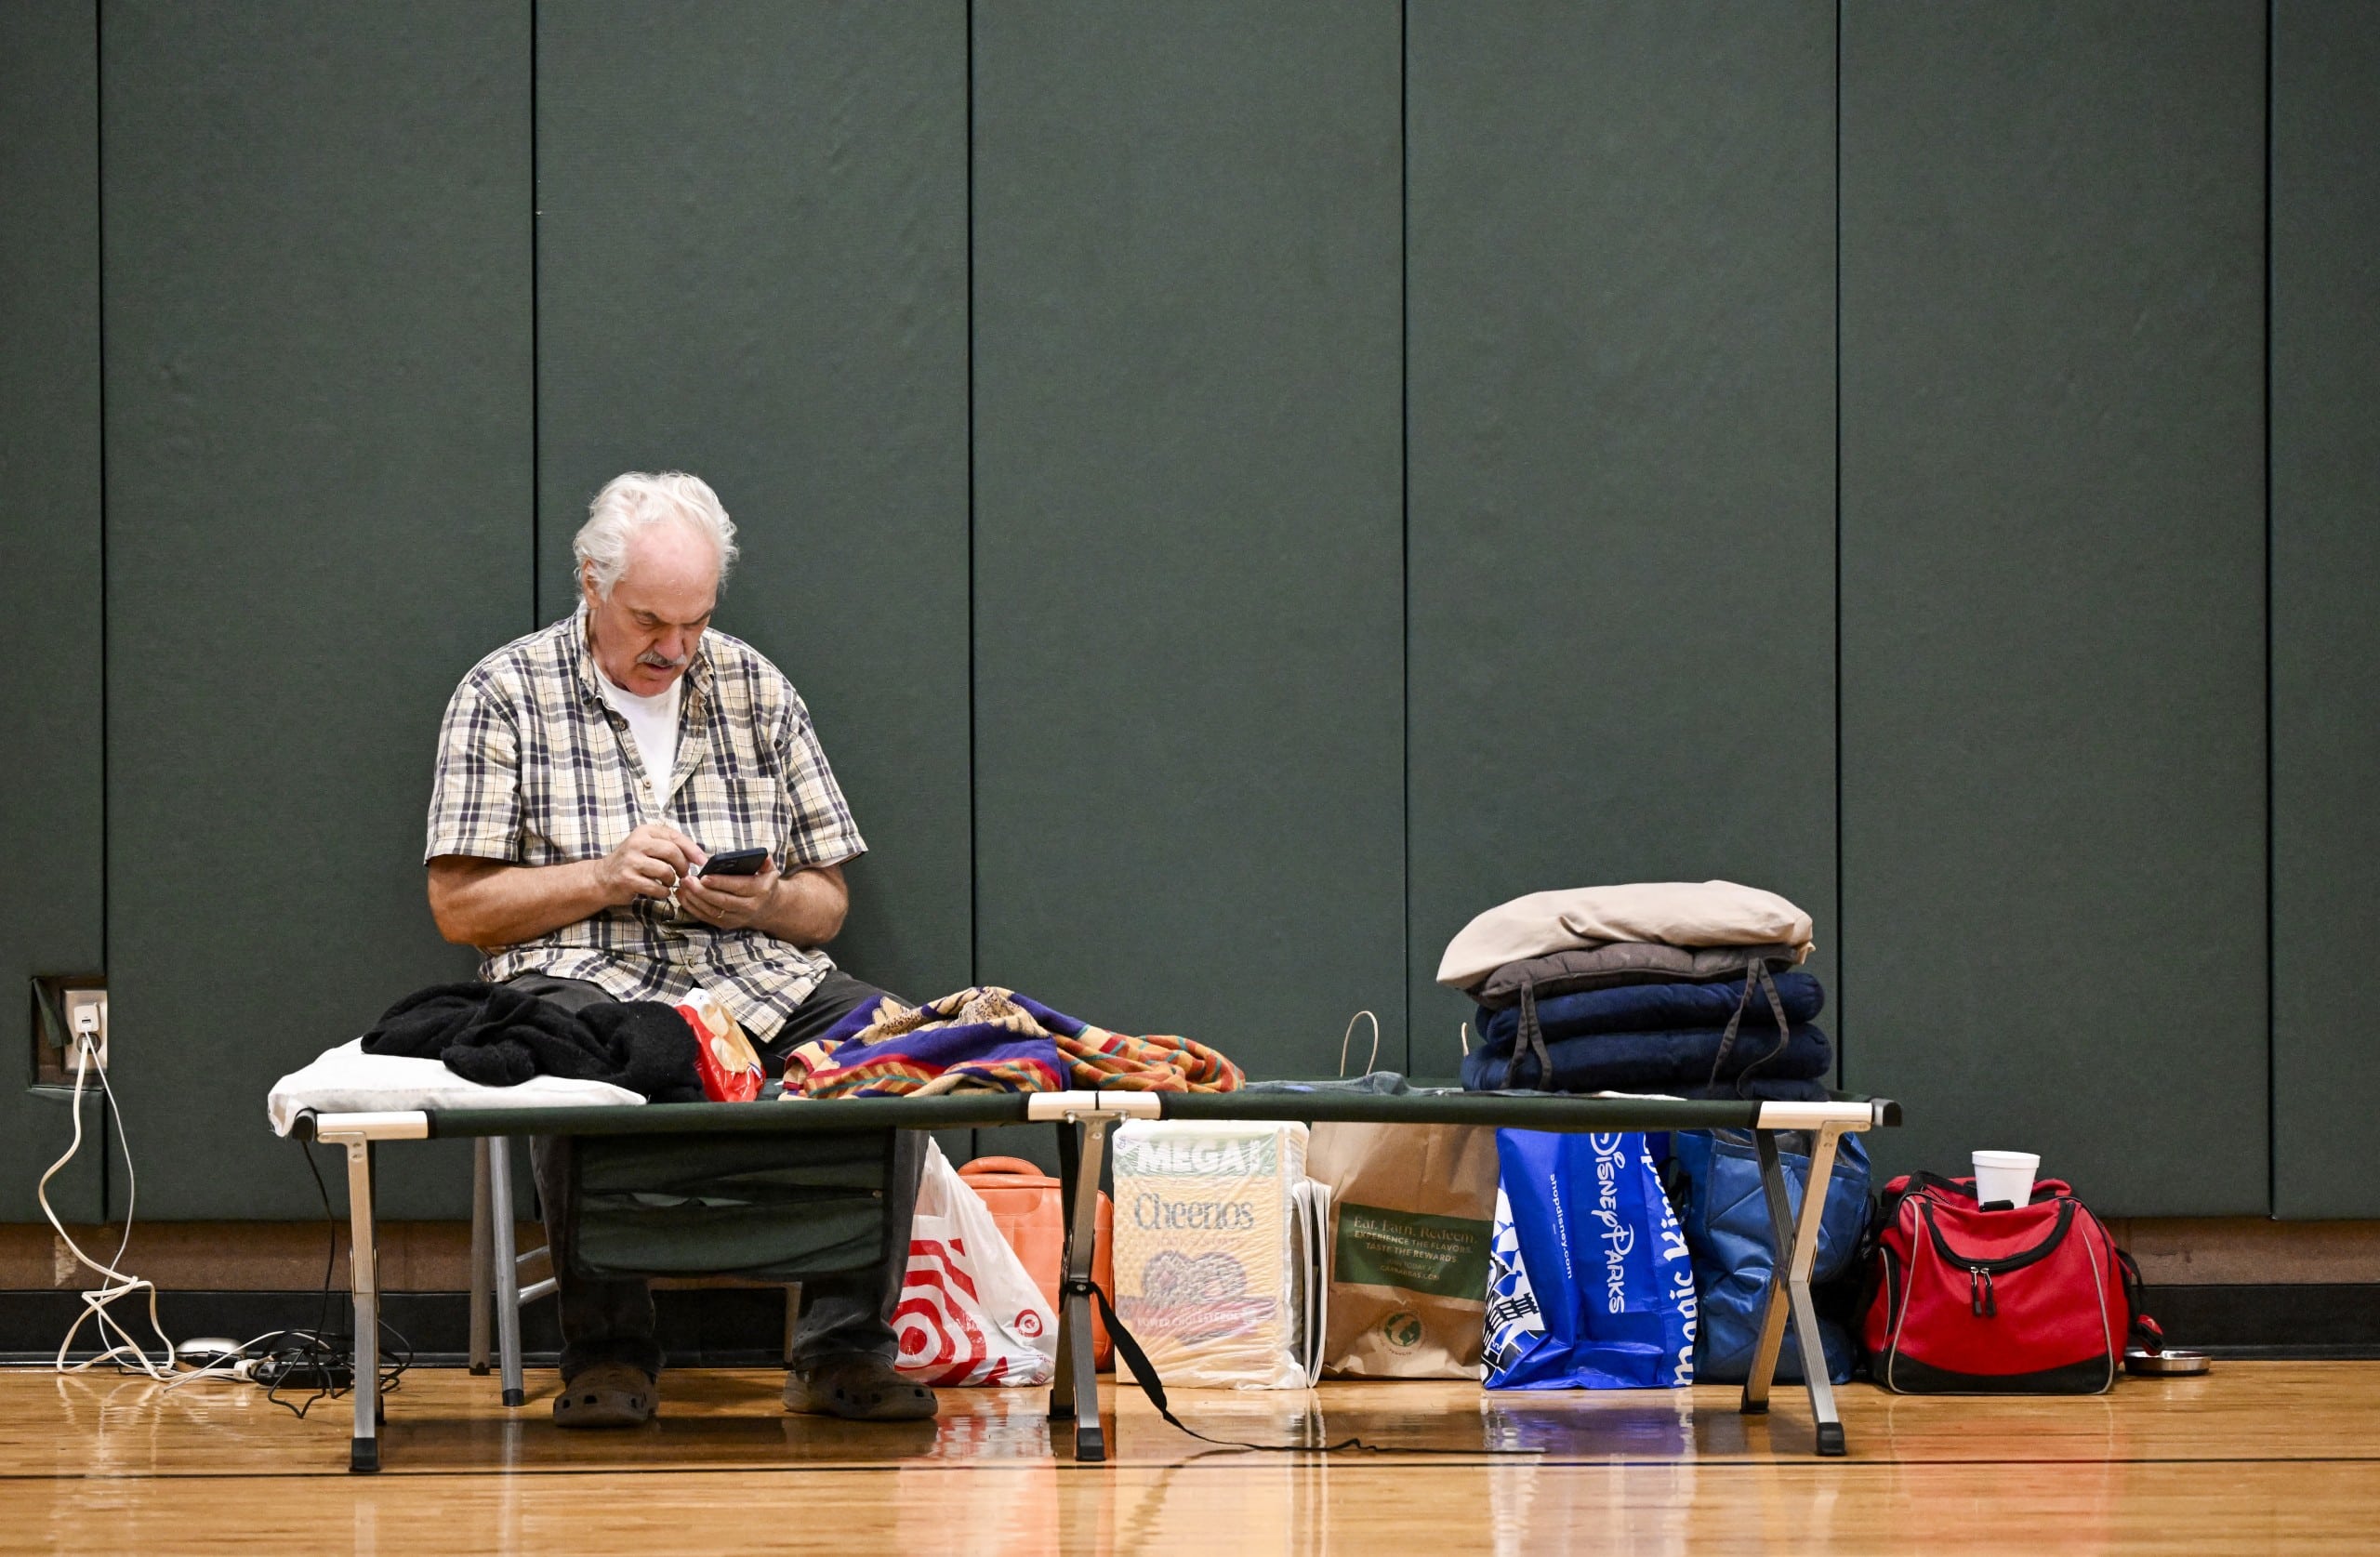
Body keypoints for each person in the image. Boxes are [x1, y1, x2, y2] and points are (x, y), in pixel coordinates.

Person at [421, 470, 932, 1428]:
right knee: (580, 1050)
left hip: (753, 974)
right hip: (582, 976)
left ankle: (842, 1346)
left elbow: (825, 909)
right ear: (591, 583)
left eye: (696, 622)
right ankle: (607, 1348)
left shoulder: (754, 686)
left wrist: (764, 899)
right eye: (652, 621)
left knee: (890, 1038)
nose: (677, 649)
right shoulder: (505, 692)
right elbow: (459, 906)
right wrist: (606, 876)